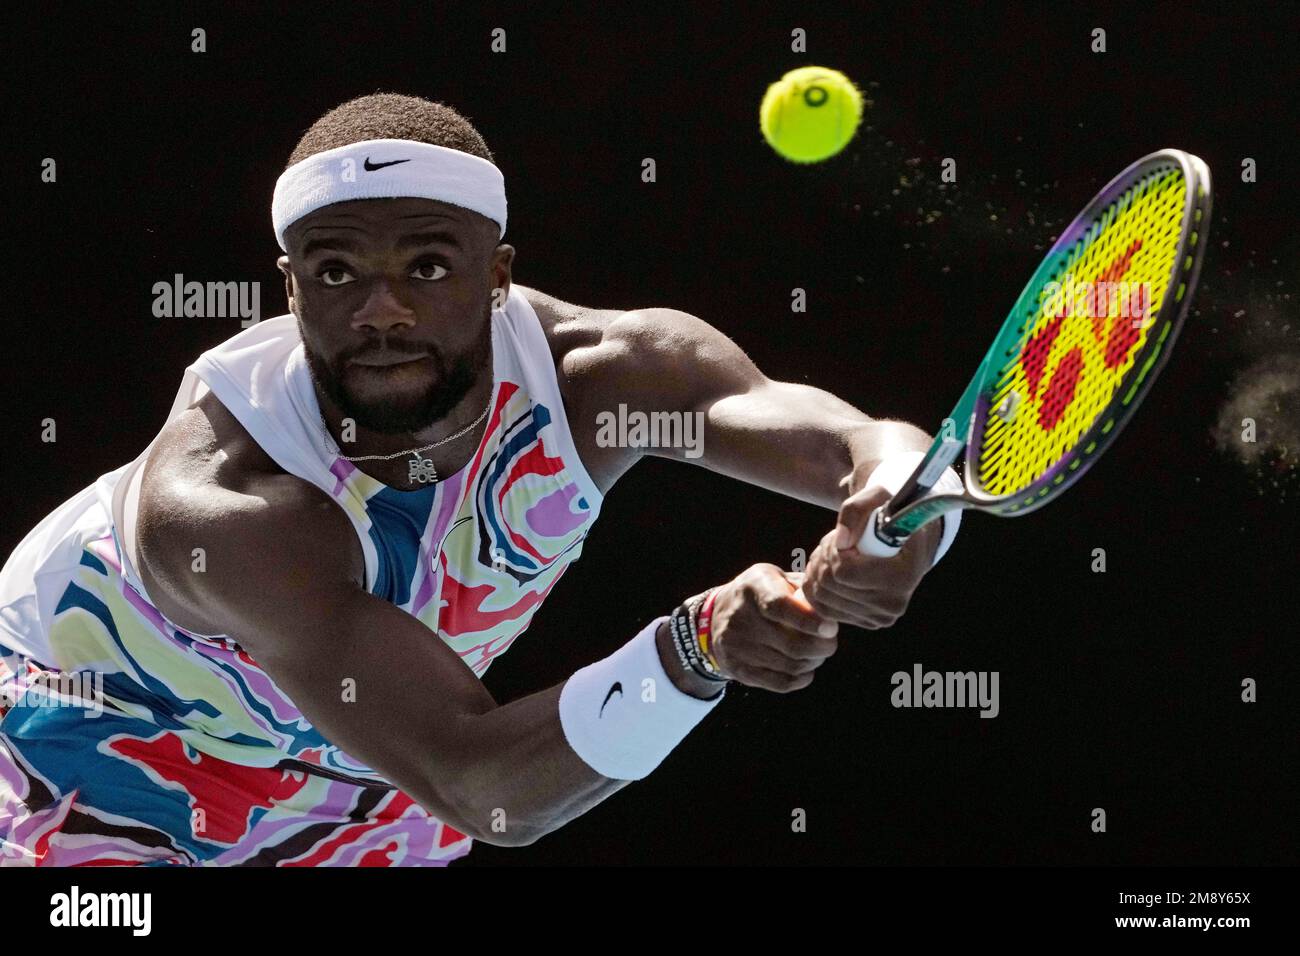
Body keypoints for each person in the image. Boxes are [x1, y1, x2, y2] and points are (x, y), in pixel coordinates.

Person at [0, 93, 961, 866]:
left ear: (497, 273)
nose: (384, 311)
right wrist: (695, 646)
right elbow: (482, 785)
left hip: (362, 771)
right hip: (85, 751)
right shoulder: (227, 505)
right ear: (290, 288)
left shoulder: (609, 376)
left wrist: (901, 500)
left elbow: (857, 444)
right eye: (336, 274)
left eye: (427, 264)